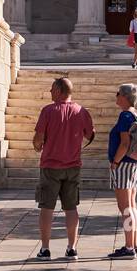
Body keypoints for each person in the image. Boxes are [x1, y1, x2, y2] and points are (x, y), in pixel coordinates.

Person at [32, 78, 94, 260]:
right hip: (73, 166)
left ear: (59, 91)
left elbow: (39, 136)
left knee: (46, 208)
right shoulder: (81, 111)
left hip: (50, 166)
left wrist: (37, 146)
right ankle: (71, 248)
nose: (50, 92)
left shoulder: (48, 111)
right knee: (71, 208)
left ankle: (45, 249)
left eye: (52, 89)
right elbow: (90, 134)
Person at [108, 83, 137, 258]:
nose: (116, 96)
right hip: (135, 164)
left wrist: (115, 161)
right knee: (132, 206)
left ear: (123, 96)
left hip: (124, 164)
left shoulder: (125, 116)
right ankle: (133, 244)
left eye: (117, 93)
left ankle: (129, 247)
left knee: (125, 208)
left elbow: (124, 143)